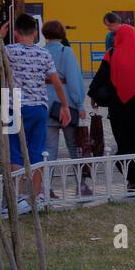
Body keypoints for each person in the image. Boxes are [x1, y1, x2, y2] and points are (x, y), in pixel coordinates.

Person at [2, 13, 70, 213]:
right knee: (37, 151)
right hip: (39, 109)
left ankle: (18, 198)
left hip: (15, 108)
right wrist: (64, 105)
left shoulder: (9, 51)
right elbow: (56, 81)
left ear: (15, 34)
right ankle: (36, 196)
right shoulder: (44, 54)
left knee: (15, 152)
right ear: (35, 33)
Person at [89, 24, 135, 191]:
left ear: (118, 38)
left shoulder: (111, 56)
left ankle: (133, 181)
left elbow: (99, 81)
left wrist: (94, 98)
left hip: (118, 111)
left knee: (125, 145)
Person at [41, 21, 91, 197]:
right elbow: (74, 80)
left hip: (46, 105)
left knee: (49, 150)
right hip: (66, 105)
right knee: (74, 146)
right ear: (62, 34)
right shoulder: (66, 52)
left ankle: (46, 188)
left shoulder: (41, 51)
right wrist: (80, 105)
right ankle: (81, 185)